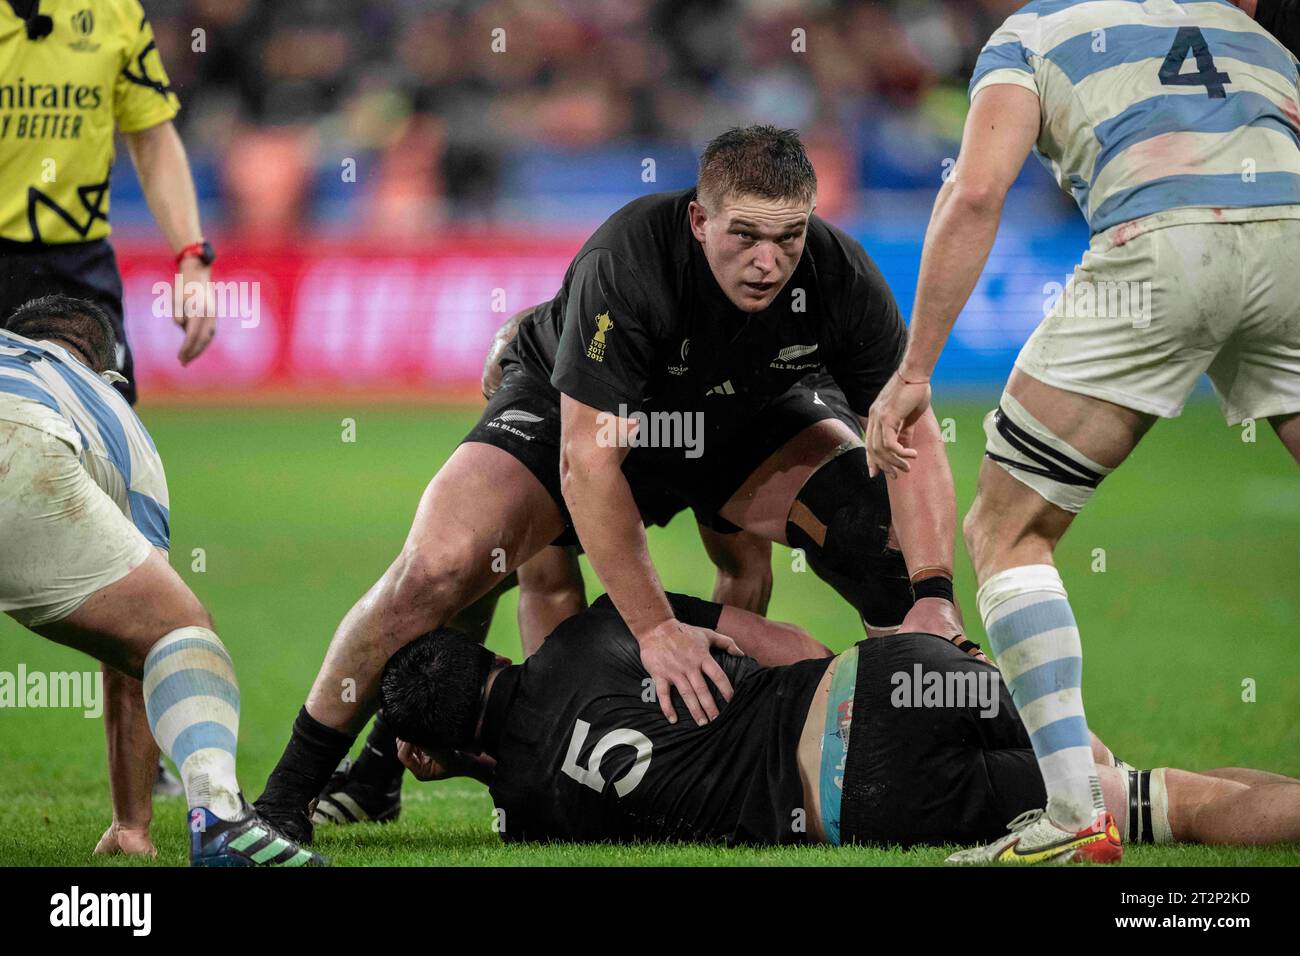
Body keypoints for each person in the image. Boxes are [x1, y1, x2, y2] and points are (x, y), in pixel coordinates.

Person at [256, 125, 962, 844]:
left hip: (739, 416)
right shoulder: (629, 262)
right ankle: (290, 797)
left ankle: (920, 758)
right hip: (595, 417)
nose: (768, 261)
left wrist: (935, 595)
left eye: (788, 238)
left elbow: (914, 430)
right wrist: (655, 630)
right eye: (745, 235)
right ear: (699, 218)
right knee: (444, 567)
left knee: (880, 545)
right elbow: (587, 465)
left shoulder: (840, 275)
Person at [864, 0, 1300, 862]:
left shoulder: (1033, 31)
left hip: (1158, 249)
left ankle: (1072, 815)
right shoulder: (1258, 37)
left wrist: (915, 370)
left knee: (1006, 528)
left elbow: (978, 188)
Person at [311, 308, 778, 829]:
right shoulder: (544, 443)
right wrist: (558, 731)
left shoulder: (701, 422)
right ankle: (376, 774)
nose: (507, 418)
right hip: (592, 461)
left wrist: (724, 705)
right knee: (467, 580)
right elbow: (549, 591)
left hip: (670, 446)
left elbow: (744, 570)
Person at [382, 593, 1300, 852]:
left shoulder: (530, 812)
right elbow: (779, 637)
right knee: (1113, 766)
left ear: (431, 757)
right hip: (887, 675)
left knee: (1153, 804)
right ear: (491, 655)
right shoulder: (607, 624)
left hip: (856, 797)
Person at [0, 294, 320, 866]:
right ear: (108, 371)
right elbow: (138, 661)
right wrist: (131, 821)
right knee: (177, 633)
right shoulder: (109, 406)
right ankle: (220, 821)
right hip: (23, 444)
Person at [0, 0, 218, 402]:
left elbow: (152, 136)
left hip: (74, 274)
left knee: (108, 451)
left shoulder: (113, 10)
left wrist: (192, 259)